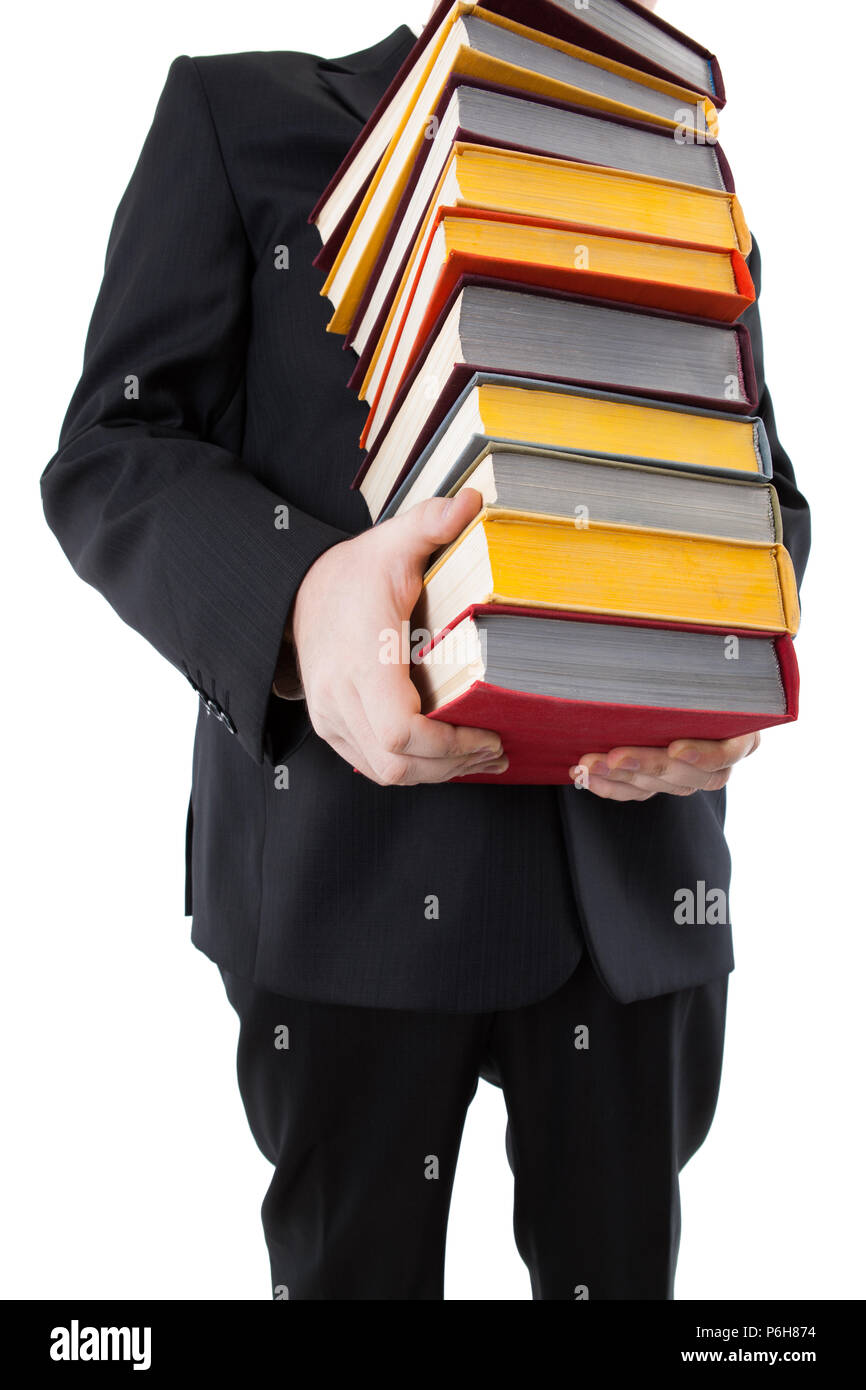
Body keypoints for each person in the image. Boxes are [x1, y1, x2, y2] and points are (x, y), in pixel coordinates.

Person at [41, 0, 810, 1299]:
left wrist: (726, 629)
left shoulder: (671, 162)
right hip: (347, 885)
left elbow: (755, 478)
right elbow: (115, 449)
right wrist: (299, 596)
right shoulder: (242, 116)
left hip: (635, 891)